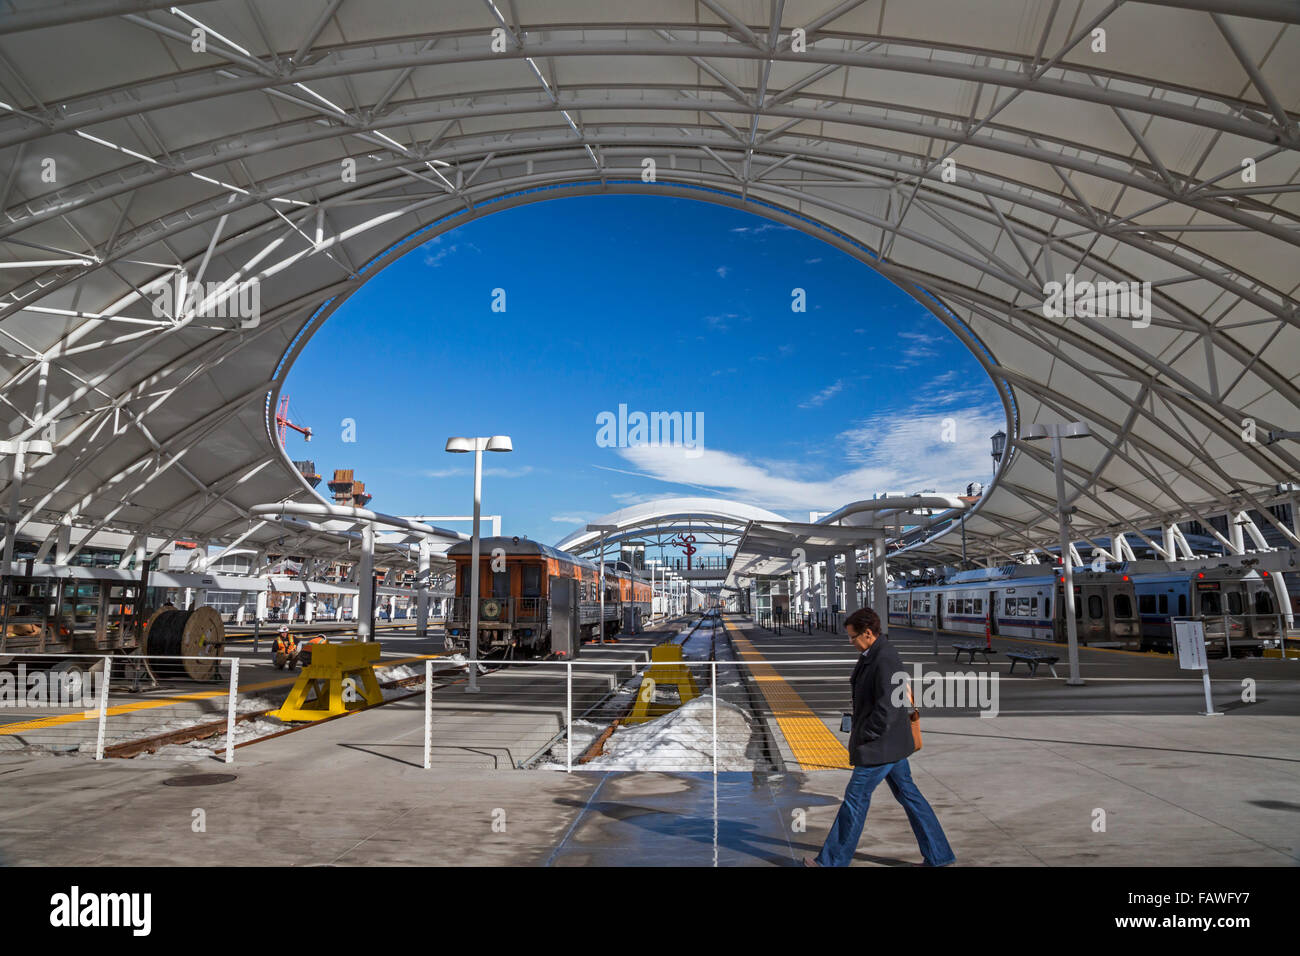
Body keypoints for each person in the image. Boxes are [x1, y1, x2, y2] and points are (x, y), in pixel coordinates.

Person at [806, 606, 955, 867]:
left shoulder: (884, 658)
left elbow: (889, 706)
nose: (850, 642)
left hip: (879, 746)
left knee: (854, 802)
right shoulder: (873, 654)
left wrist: (866, 734)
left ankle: (830, 862)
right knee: (911, 798)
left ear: (868, 633)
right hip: (892, 745)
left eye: (853, 637)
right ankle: (939, 855)